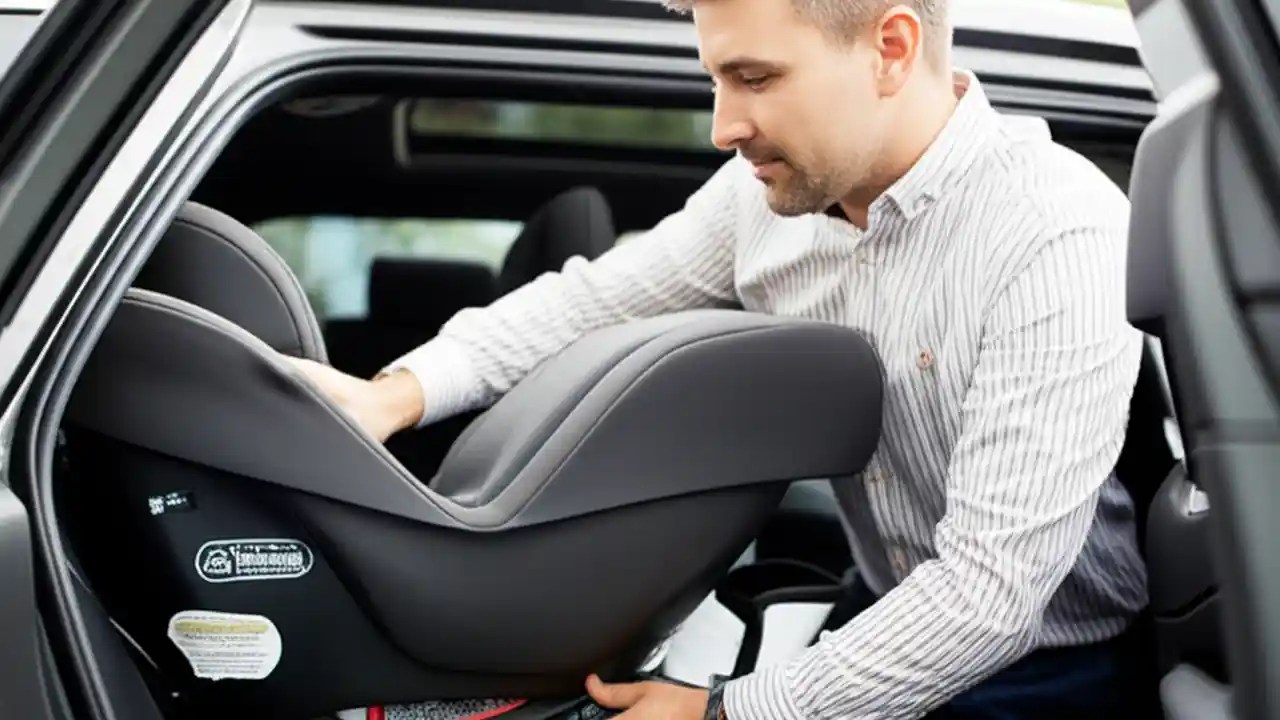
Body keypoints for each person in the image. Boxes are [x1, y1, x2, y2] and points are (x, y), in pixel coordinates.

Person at [288, 0, 1151, 717]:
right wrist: (392, 396)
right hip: (873, 606)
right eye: (715, 78)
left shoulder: (1056, 232)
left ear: (890, 49)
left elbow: (991, 596)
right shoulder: (760, 200)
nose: (721, 125)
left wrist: (722, 712)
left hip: (1044, 675)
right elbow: (595, 301)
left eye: (755, 77)